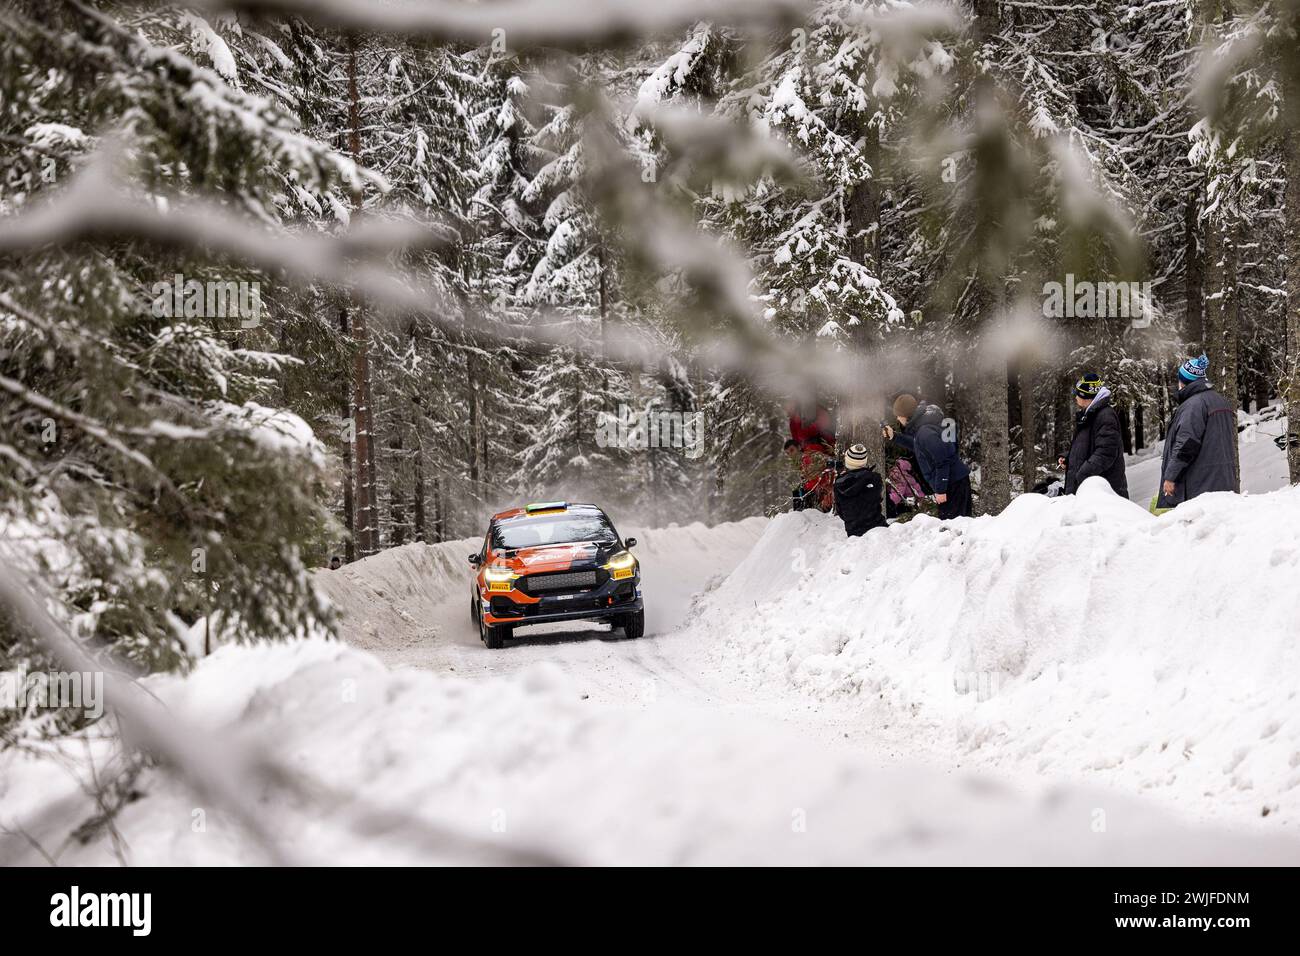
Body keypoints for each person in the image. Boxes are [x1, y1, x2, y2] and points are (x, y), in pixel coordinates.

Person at [1157, 354, 1237, 508]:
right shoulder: (1220, 400)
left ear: (1184, 381)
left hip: (1200, 486)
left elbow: (1186, 444)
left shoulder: (1193, 406)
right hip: (1224, 481)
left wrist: (1170, 477)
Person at [883, 393, 972, 519]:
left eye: (898, 415)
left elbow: (942, 462)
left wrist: (941, 490)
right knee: (958, 526)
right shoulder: (923, 428)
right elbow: (919, 445)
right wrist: (895, 437)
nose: (897, 419)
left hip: (952, 484)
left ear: (906, 415)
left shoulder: (925, 432)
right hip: (954, 481)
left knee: (952, 528)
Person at [1059, 372, 1128, 498]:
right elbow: (1086, 447)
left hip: (1103, 495)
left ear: (1085, 396)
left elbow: (1106, 453)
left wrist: (1082, 474)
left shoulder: (1105, 416)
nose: (1075, 398)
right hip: (1089, 492)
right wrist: (1068, 459)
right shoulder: (1088, 415)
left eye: (1077, 394)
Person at [834, 444, 887, 536]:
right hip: (878, 527)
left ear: (848, 462)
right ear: (864, 461)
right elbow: (877, 500)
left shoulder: (839, 483)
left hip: (854, 531)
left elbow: (840, 511)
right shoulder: (874, 479)